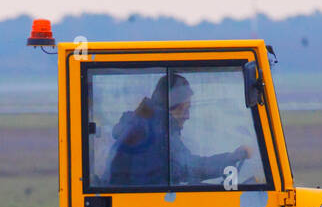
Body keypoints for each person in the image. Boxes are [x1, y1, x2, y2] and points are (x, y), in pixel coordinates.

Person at [106, 73, 252, 187]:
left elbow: (182, 169)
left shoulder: (144, 126)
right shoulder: (155, 132)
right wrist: (230, 159)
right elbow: (188, 168)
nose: (187, 116)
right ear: (170, 107)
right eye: (185, 109)